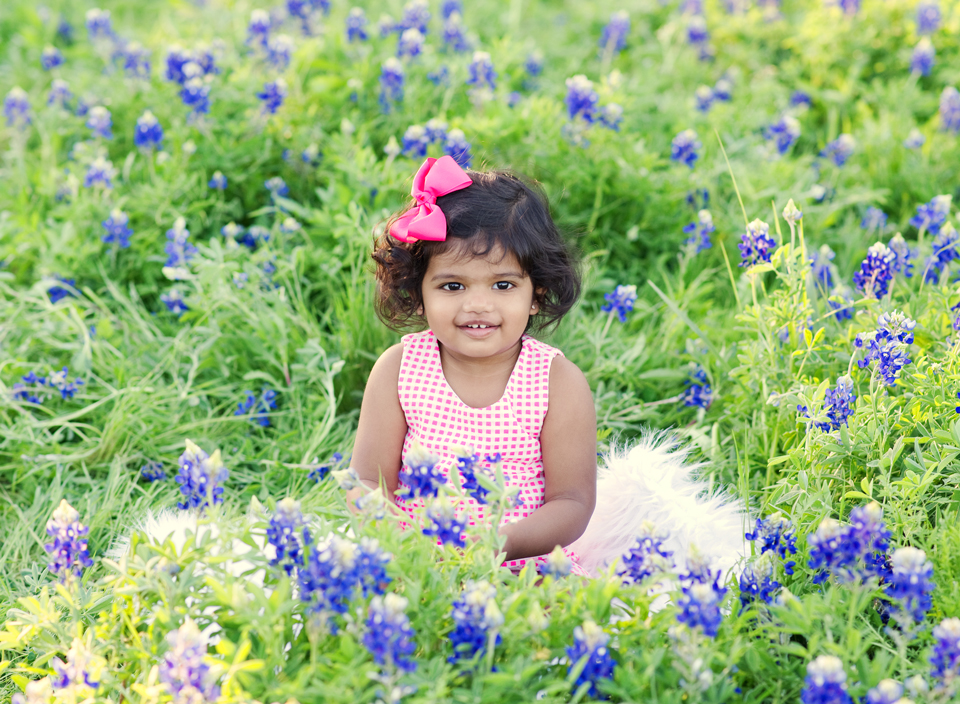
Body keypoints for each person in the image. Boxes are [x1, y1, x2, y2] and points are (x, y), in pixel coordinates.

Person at [346, 155, 596, 576]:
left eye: (503, 284)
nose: (477, 305)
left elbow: (572, 502)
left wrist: (499, 544)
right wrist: (403, 543)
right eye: (452, 285)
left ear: (536, 293)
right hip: (416, 563)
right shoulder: (399, 369)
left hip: (522, 569)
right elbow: (367, 483)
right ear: (418, 293)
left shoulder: (557, 381)